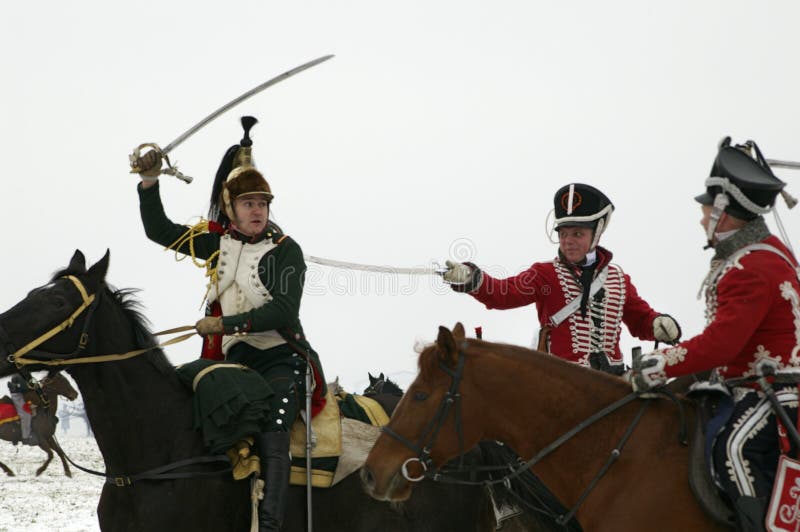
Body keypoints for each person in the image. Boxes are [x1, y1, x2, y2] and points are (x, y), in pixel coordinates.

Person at [134, 116, 327, 532]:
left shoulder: (286, 251)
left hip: (282, 360)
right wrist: (150, 183)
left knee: (273, 435)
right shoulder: (216, 243)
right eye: (248, 204)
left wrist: (221, 327)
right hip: (236, 362)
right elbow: (160, 231)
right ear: (230, 209)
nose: (257, 210)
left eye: (262, 203)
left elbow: (282, 313)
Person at [631, 137, 800, 531]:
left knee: (734, 447)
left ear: (723, 213)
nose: (701, 217)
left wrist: (658, 365)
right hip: (749, 383)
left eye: (706, 208)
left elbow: (723, 343)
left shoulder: (753, 265)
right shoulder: (753, 254)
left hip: (774, 389)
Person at [443, 183, 681, 373]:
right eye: (563, 233)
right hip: (563, 384)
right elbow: (503, 293)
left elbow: (640, 320)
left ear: (596, 233)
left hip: (614, 382)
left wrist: (657, 324)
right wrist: (472, 279)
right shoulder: (544, 274)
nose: (568, 240)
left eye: (577, 233)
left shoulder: (619, 279)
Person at [8, 374, 36, 444]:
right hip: (18, 396)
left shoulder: (25, 373)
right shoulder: (17, 375)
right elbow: (23, 387)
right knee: (26, 415)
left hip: (25, 395)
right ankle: (25, 437)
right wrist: (32, 387)